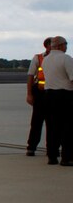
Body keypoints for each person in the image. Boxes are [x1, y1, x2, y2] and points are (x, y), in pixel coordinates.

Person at [41, 35, 73, 166]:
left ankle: (52, 156)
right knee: (68, 128)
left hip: (49, 95)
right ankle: (67, 157)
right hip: (65, 95)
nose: (67, 46)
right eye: (66, 44)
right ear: (60, 45)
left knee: (52, 127)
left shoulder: (45, 60)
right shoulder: (66, 59)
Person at [25, 38, 51, 156]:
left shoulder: (62, 58)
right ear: (46, 46)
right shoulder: (38, 58)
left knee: (53, 122)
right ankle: (31, 146)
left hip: (54, 93)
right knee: (36, 121)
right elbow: (31, 76)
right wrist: (29, 94)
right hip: (40, 93)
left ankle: (52, 148)